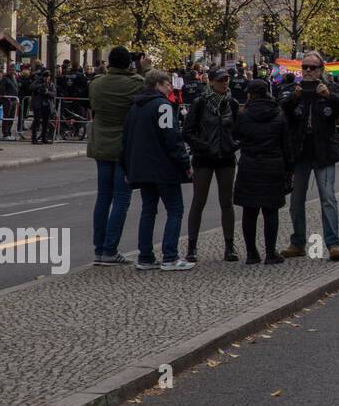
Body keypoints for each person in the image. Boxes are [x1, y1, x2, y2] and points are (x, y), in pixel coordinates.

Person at [280, 51, 339, 261]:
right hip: (300, 153)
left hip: (324, 153)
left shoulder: (331, 88)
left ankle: (333, 243)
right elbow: (281, 107)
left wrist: (328, 95)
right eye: (305, 67)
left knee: (328, 197)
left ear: (321, 69)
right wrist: (295, 96)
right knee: (296, 201)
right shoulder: (293, 89)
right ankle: (298, 242)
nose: (308, 71)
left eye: (312, 67)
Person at [122, 69, 195, 271]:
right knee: (175, 209)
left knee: (148, 210)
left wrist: (128, 166)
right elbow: (172, 137)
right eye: (167, 84)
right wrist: (185, 163)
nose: (170, 88)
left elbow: (126, 138)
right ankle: (170, 256)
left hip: (141, 167)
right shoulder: (162, 106)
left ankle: (145, 256)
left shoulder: (136, 106)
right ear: (157, 85)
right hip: (163, 167)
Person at [87, 47, 143, 266]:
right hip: (123, 147)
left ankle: (99, 249)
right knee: (122, 198)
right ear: (128, 64)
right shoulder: (135, 83)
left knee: (103, 197)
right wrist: (140, 68)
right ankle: (111, 249)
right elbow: (146, 91)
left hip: (101, 144)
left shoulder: (96, 84)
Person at [182, 68, 241, 263]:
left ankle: (229, 246)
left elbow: (239, 130)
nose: (225, 83)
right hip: (204, 158)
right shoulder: (200, 103)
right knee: (198, 201)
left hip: (225, 157)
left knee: (227, 202)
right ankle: (192, 247)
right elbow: (188, 131)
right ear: (212, 82)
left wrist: (233, 145)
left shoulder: (232, 103)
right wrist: (202, 145)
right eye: (221, 80)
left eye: (227, 79)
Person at [233, 79, 294, 265]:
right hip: (273, 165)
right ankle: (270, 252)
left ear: (251, 94)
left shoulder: (243, 115)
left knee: (249, 211)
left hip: (249, 164)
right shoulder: (278, 114)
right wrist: (289, 171)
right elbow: (286, 146)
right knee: (270, 210)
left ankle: (252, 253)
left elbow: (235, 136)